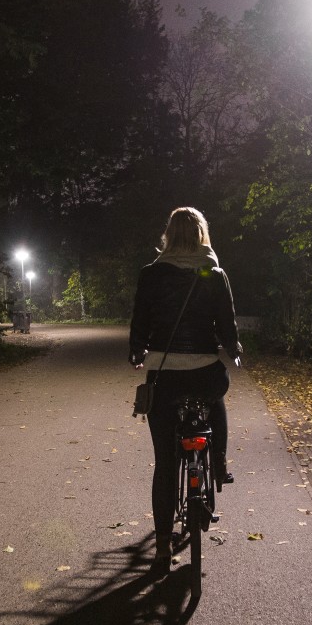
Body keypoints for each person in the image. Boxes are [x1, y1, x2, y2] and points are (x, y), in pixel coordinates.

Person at [129, 206, 242, 569]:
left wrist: (136, 352)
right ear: (201, 235)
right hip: (204, 371)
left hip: (164, 374)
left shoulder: (150, 275)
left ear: (169, 236)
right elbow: (227, 324)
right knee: (217, 394)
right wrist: (234, 349)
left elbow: (140, 321)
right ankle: (219, 463)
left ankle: (162, 547)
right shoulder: (214, 273)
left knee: (165, 463)